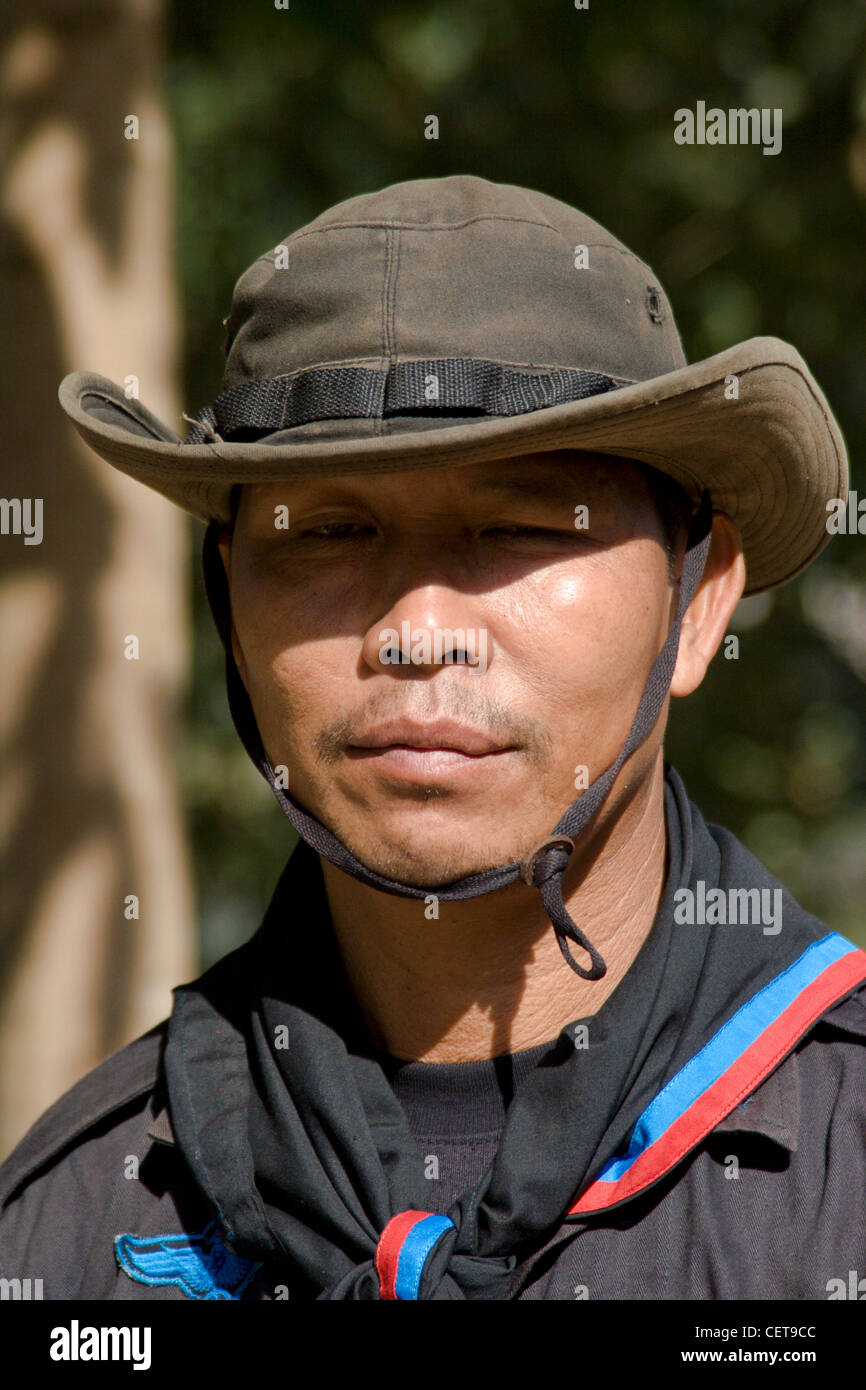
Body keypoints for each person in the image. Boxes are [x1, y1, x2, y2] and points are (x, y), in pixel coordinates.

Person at [1, 174, 864, 1301]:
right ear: (229, 610)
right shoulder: (71, 1225)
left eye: (516, 526)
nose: (415, 633)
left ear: (695, 605)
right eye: (328, 530)